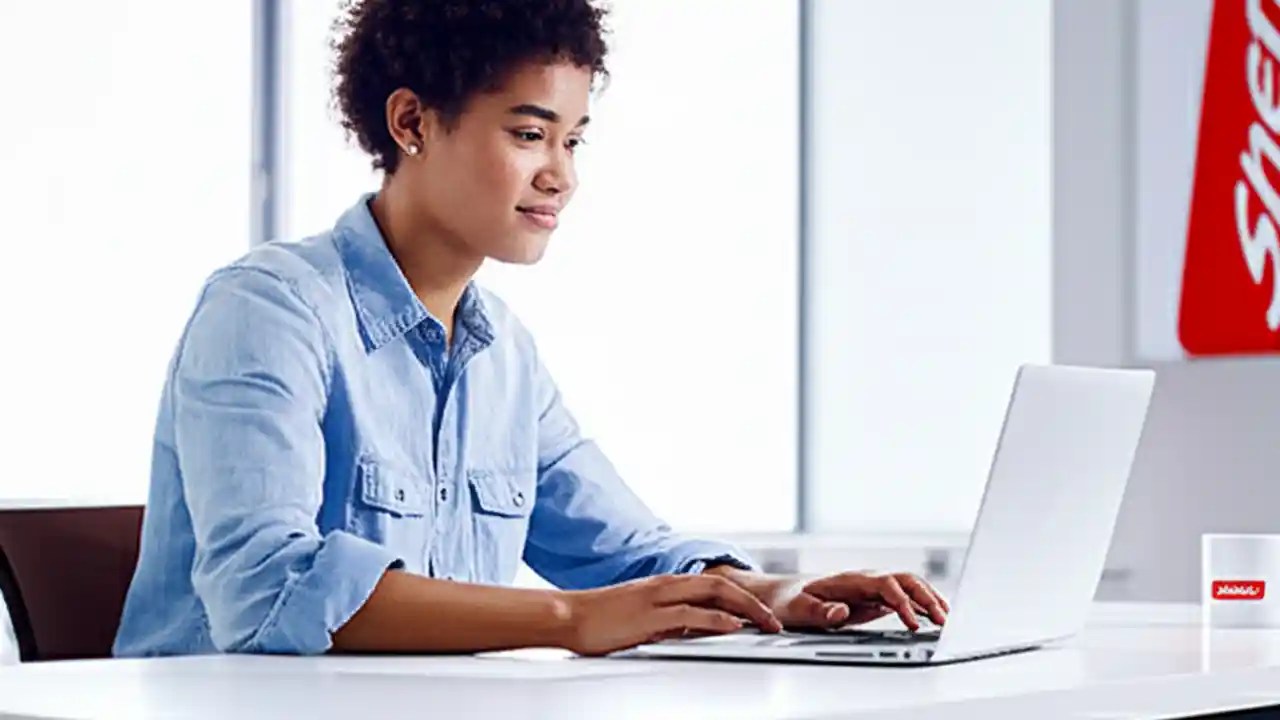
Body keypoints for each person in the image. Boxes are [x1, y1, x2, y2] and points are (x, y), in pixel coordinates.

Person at [113, 0, 949, 658]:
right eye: (528, 134)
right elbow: (268, 589)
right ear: (411, 124)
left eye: (574, 139)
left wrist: (773, 595)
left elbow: (626, 556)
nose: (562, 176)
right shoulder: (269, 310)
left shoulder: (501, 354)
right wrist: (567, 619)